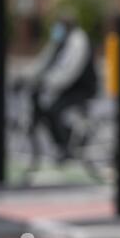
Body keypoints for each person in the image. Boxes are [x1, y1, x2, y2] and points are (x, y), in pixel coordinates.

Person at [21, 12, 98, 161]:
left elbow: (69, 70)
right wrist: (26, 76)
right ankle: (65, 143)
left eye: (59, 26)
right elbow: (43, 61)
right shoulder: (59, 40)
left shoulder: (78, 41)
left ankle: (67, 147)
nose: (56, 29)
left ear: (67, 26)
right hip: (68, 86)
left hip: (82, 88)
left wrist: (47, 82)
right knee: (48, 111)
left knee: (53, 110)